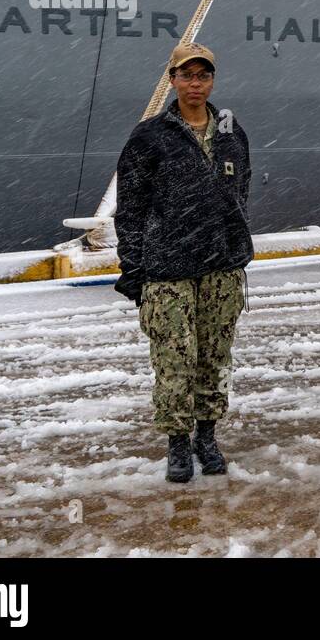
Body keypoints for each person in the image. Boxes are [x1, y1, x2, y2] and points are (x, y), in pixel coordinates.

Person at [114, 43, 253, 483]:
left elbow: (240, 197)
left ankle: (207, 435)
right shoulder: (149, 136)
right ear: (172, 79)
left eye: (203, 75)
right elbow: (130, 207)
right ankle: (177, 441)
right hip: (167, 268)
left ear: (212, 80)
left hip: (220, 267)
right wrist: (133, 267)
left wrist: (234, 248)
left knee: (214, 357)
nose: (196, 84)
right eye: (187, 75)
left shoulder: (232, 134)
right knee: (174, 361)